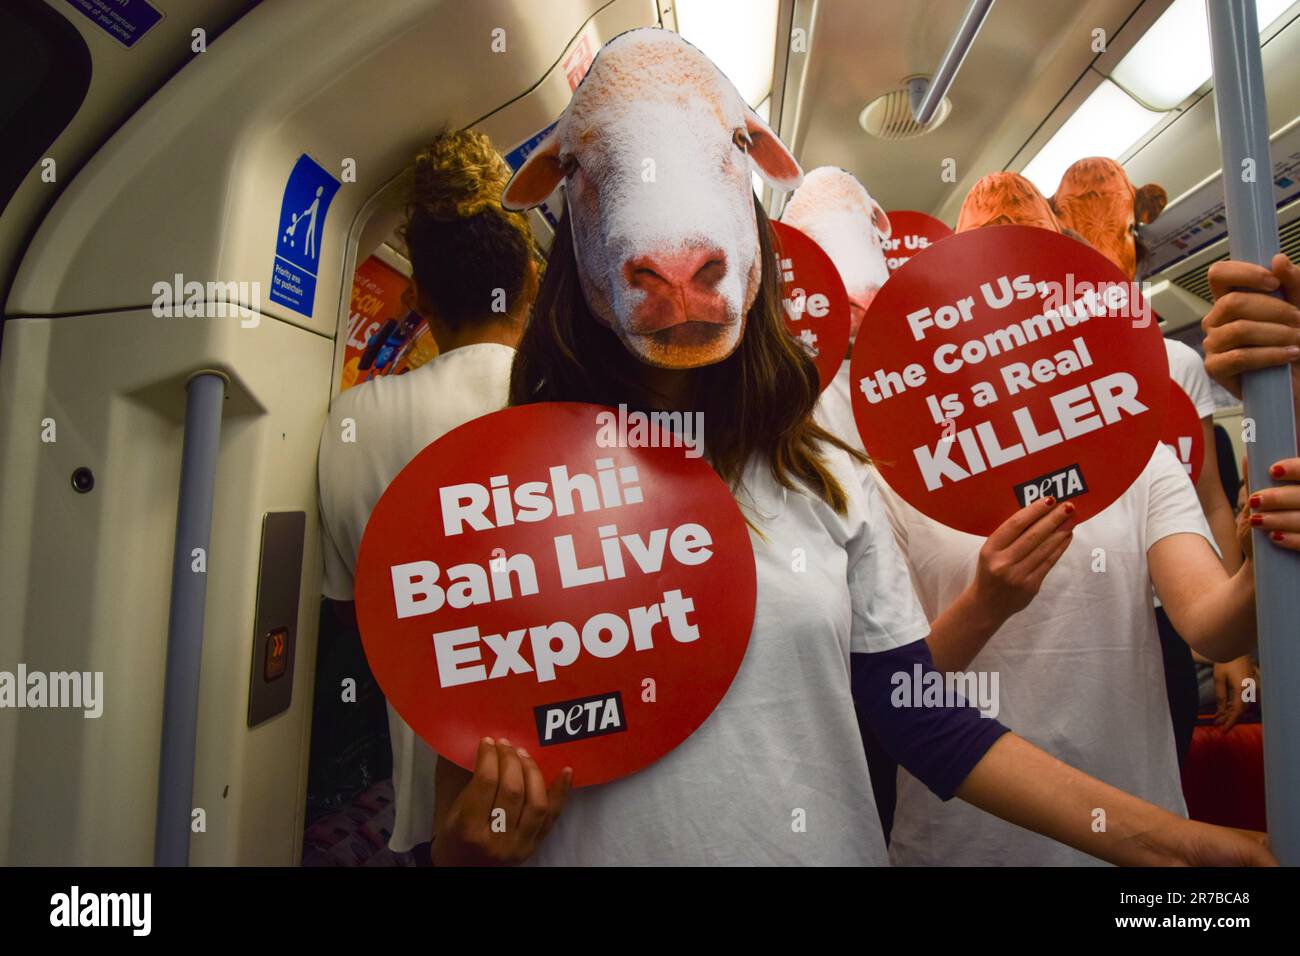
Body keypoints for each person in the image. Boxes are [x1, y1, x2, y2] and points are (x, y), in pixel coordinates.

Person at [420, 28, 1273, 867]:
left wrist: (1187, 848)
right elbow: (456, 799)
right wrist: (467, 849)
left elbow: (921, 717)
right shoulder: (501, 501)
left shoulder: (821, 474)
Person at [316, 128, 540, 858]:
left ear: (414, 299)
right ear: (531, 280)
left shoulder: (353, 423)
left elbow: (356, 606)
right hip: (589, 799)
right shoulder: (590, 412)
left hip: (441, 822)